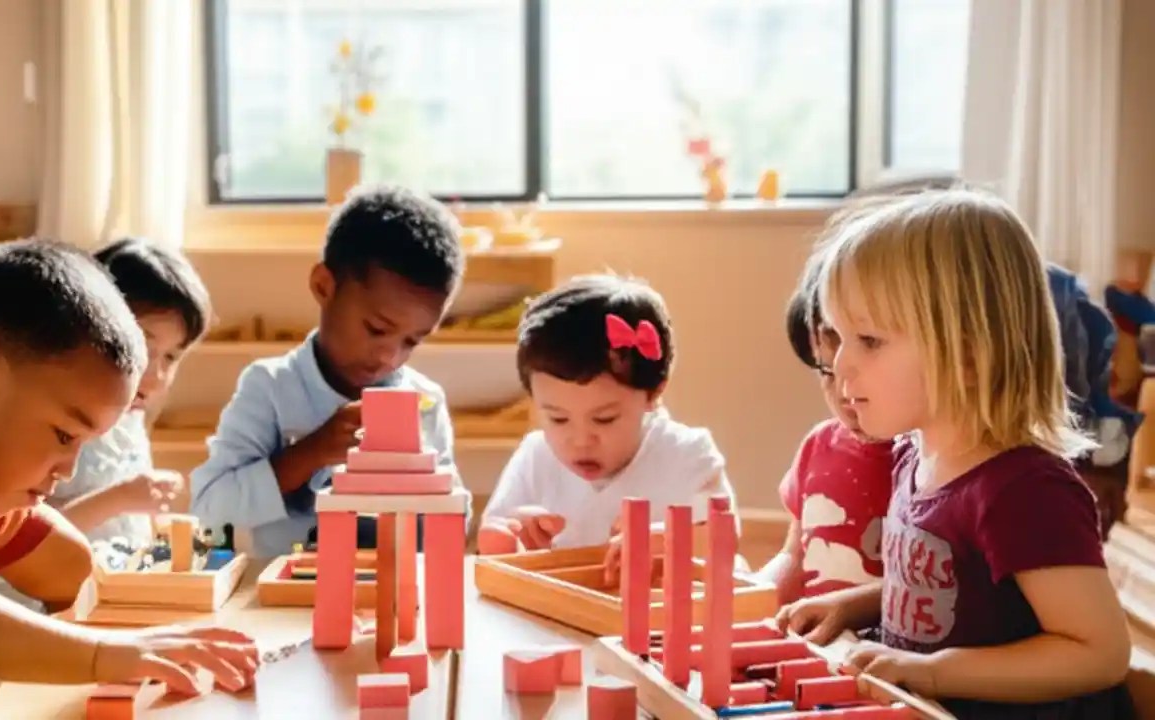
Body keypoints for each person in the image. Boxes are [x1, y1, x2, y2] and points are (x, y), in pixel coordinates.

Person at [776, 190, 1134, 717]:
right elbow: (953, 592)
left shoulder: (1026, 491)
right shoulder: (913, 454)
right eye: (839, 337)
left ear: (967, 355)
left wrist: (935, 670)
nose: (841, 364)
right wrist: (855, 602)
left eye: (869, 340)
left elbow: (1100, 653)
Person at [0, 239, 257, 719]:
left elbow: (69, 571)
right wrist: (104, 654)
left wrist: (150, 634)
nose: (70, 468)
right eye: (63, 434)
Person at [190, 185, 470, 557]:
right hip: (282, 601)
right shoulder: (270, 387)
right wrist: (311, 452)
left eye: (412, 341)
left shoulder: (425, 402)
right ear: (324, 286)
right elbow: (210, 510)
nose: (390, 356)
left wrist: (421, 478)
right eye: (376, 329)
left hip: (387, 598)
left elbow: (453, 528)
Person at [479, 274, 736, 584]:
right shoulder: (536, 455)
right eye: (558, 419)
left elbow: (723, 540)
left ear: (653, 393)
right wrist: (514, 531)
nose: (581, 440)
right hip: (555, 616)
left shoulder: (686, 455)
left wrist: (666, 542)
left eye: (604, 419)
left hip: (656, 623)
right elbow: (492, 535)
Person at [49, 237, 212, 548]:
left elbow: (133, 522)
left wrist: (166, 529)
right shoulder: (50, 421)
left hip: (116, 586)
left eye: (171, 357)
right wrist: (119, 498)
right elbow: (17, 541)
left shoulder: (131, 421)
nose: (157, 374)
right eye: (143, 347)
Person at [752, 257, 894, 605]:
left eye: (858, 370)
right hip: (816, 648)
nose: (844, 392)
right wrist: (749, 594)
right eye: (827, 372)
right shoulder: (819, 445)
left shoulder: (924, 459)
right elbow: (794, 556)